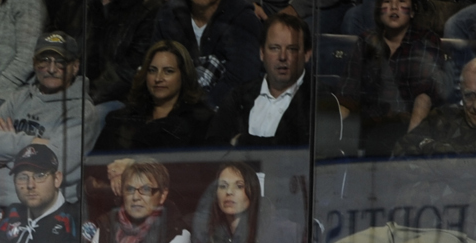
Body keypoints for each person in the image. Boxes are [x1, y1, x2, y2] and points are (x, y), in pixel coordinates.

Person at [0, 31, 97, 206]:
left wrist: (3, 151)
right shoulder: (20, 97)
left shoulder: (82, 110)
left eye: (60, 62)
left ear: (75, 66)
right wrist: (36, 142)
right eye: (44, 60)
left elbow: (54, 164)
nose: (52, 69)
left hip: (45, 211)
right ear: (34, 63)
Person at [350, 0, 449, 156]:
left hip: (411, 126)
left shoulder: (426, 41)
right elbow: (348, 92)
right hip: (369, 126)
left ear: (412, 11)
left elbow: (424, 97)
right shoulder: (365, 41)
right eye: (387, 1)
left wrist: (409, 144)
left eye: (401, 1)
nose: (394, 7)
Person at [207, 12, 315, 147]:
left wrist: (240, 142)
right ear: (262, 53)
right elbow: (214, 145)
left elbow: (296, 151)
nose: (282, 57)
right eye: (274, 48)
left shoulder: (318, 100)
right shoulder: (238, 96)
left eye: (292, 49)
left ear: (307, 54)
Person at [93, 40, 215, 149]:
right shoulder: (120, 118)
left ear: (183, 75)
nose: (158, 78)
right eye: (152, 70)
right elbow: (94, 169)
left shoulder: (201, 122)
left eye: (168, 71)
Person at [394, 55, 476, 154]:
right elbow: (400, 152)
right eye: (469, 95)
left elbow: (468, 167)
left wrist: (424, 145)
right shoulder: (445, 116)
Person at [188, 157, 302, 243]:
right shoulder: (206, 234)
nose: (229, 192)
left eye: (239, 186)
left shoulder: (283, 231)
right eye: (223, 186)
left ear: (253, 191)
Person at [149, 0, 262, 110]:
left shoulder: (243, 19)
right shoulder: (169, 13)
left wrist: (198, 112)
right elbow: (153, 66)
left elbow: (241, 79)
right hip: (172, 110)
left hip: (220, 114)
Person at [83, 155, 188, 243]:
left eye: (146, 189)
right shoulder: (106, 225)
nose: (136, 197)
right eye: (130, 189)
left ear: (162, 196)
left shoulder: (175, 234)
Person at [0, 141, 77, 243]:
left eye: (40, 176)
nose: (30, 185)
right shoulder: (12, 214)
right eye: (23, 177)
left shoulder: (75, 219)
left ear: (57, 179)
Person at [84, 0, 163, 104]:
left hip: (123, 98)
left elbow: (129, 70)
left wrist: (88, 97)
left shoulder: (149, 9)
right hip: (85, 92)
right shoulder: (87, 6)